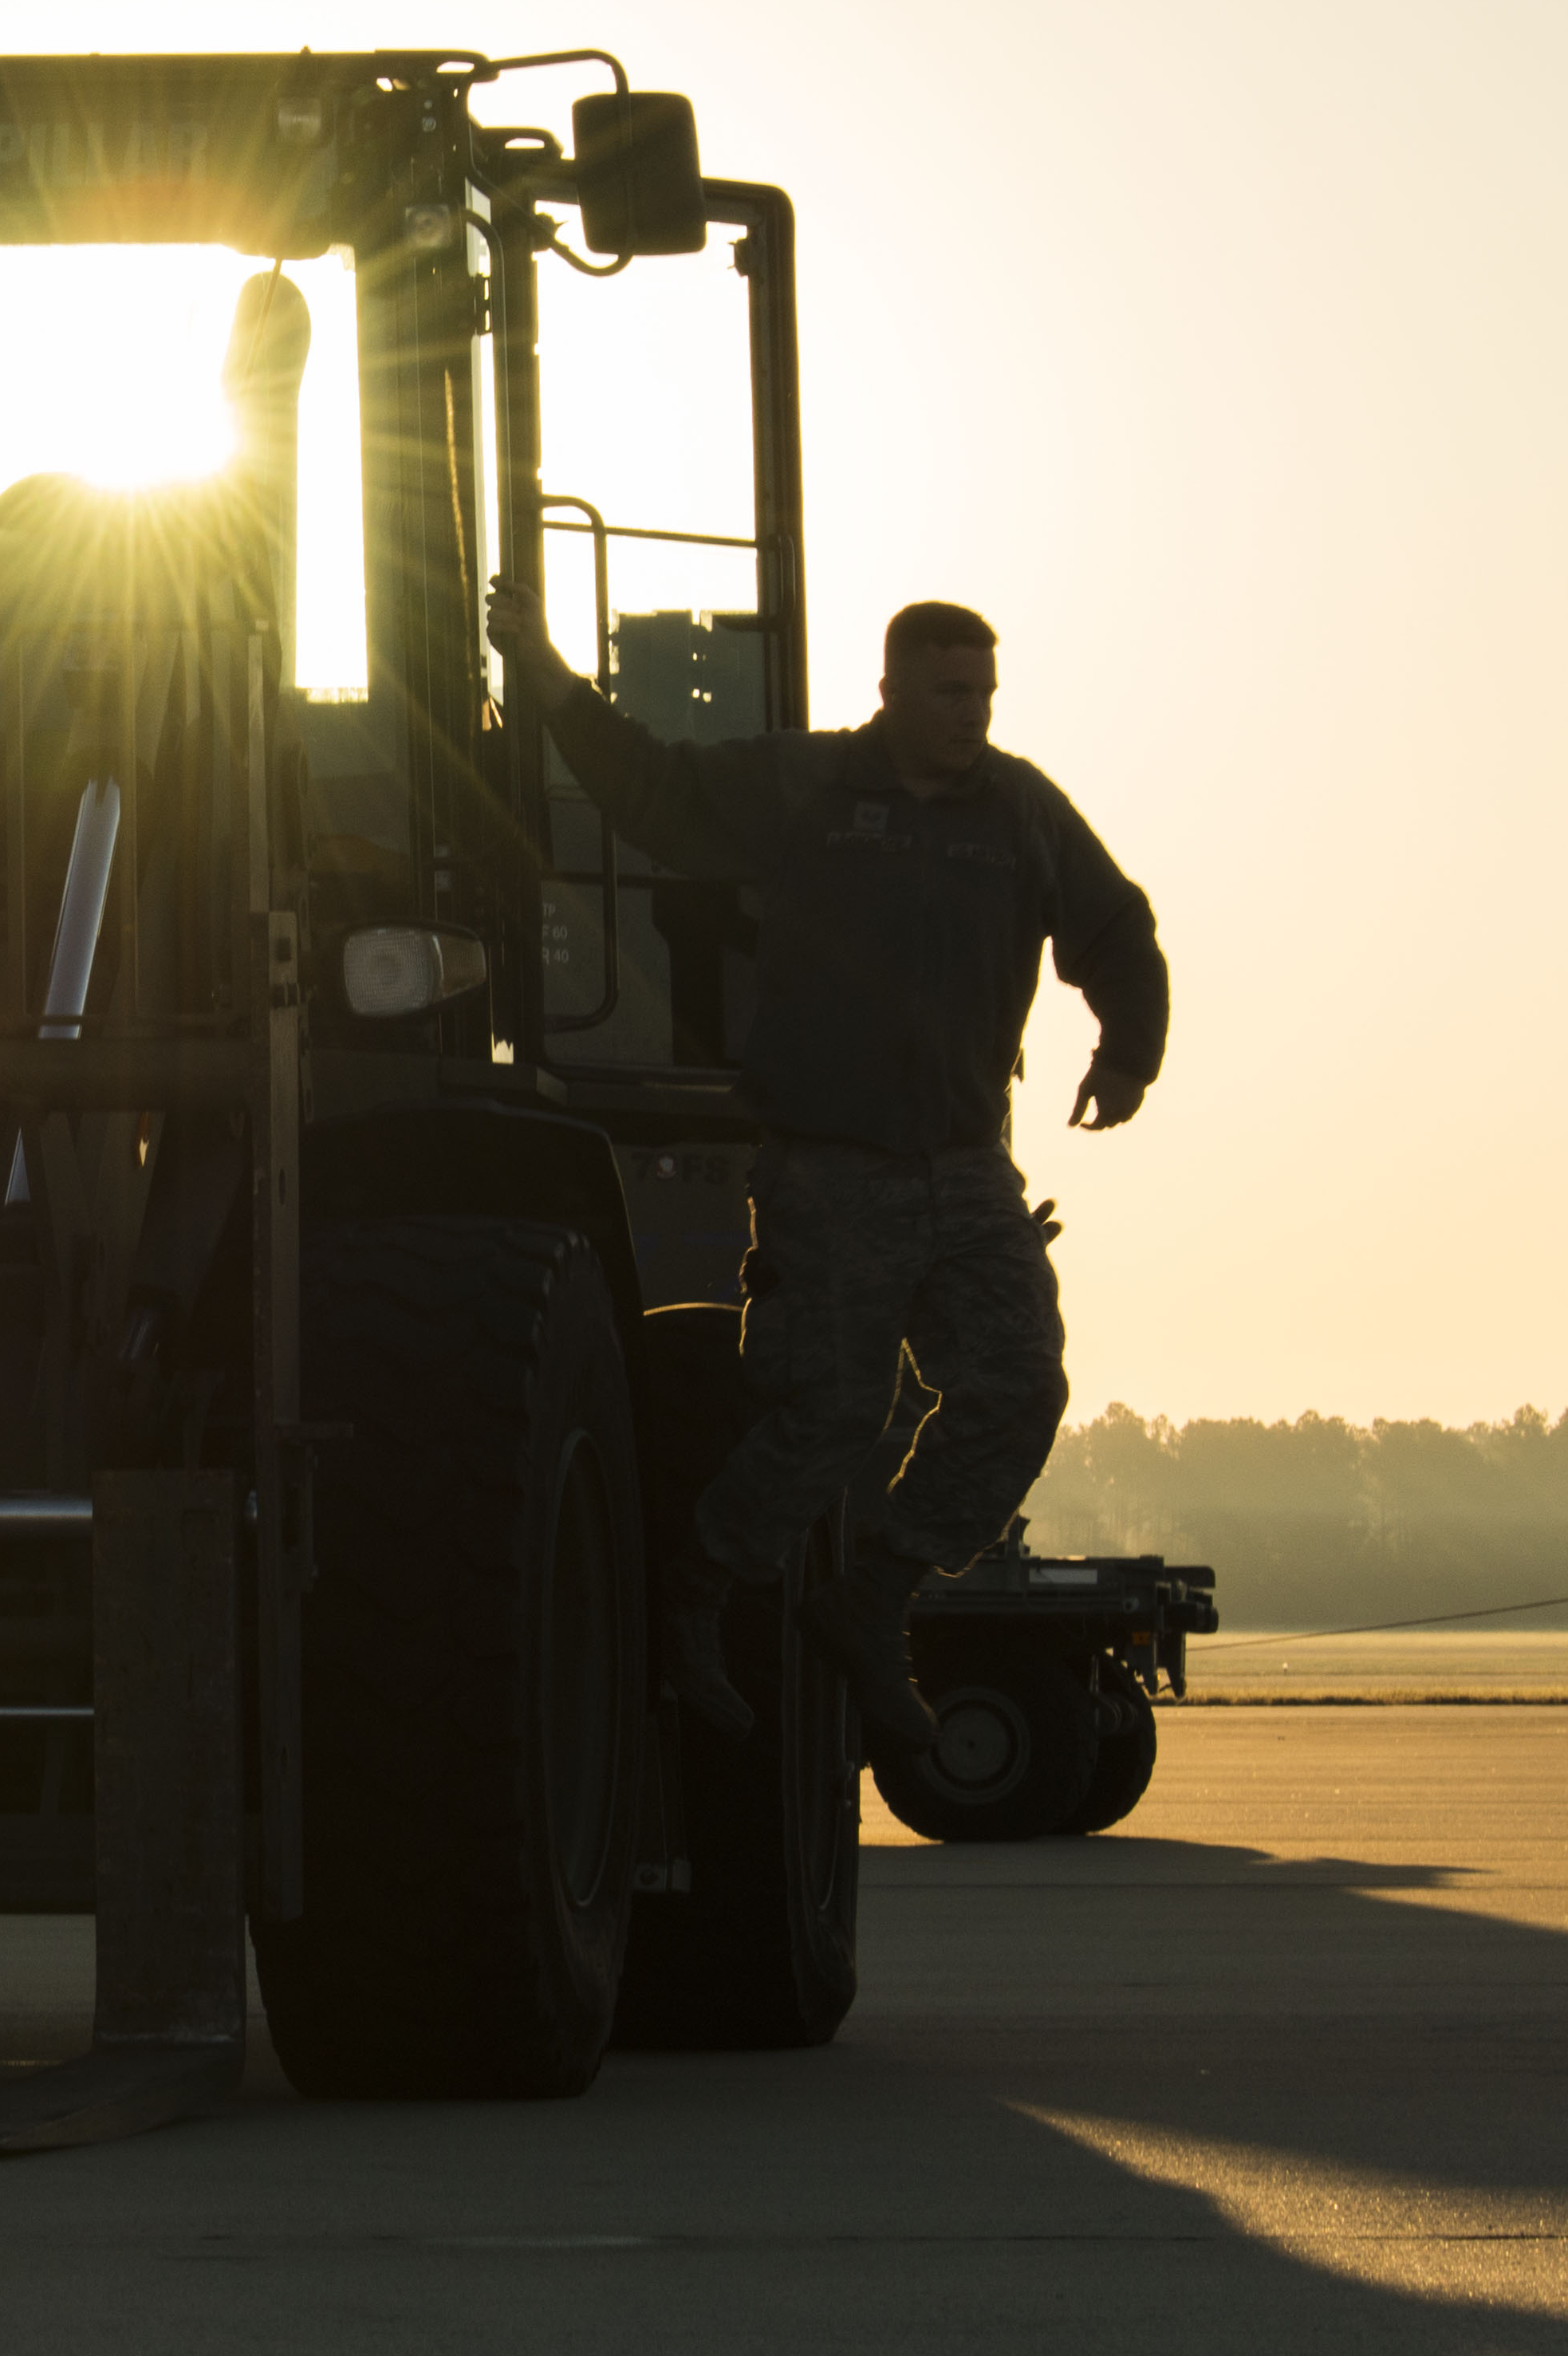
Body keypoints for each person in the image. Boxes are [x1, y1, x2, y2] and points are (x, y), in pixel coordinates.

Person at [494, 582, 1168, 1747]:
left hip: (964, 1169)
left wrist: (1128, 1053)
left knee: (1020, 1391)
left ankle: (875, 1599)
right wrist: (549, 678)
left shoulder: (1017, 812)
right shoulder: (805, 789)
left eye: (987, 695)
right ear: (894, 691)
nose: (973, 716)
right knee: (833, 1416)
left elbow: (1113, 924)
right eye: (951, 694)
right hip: (828, 1170)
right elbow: (652, 790)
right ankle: (693, 1600)